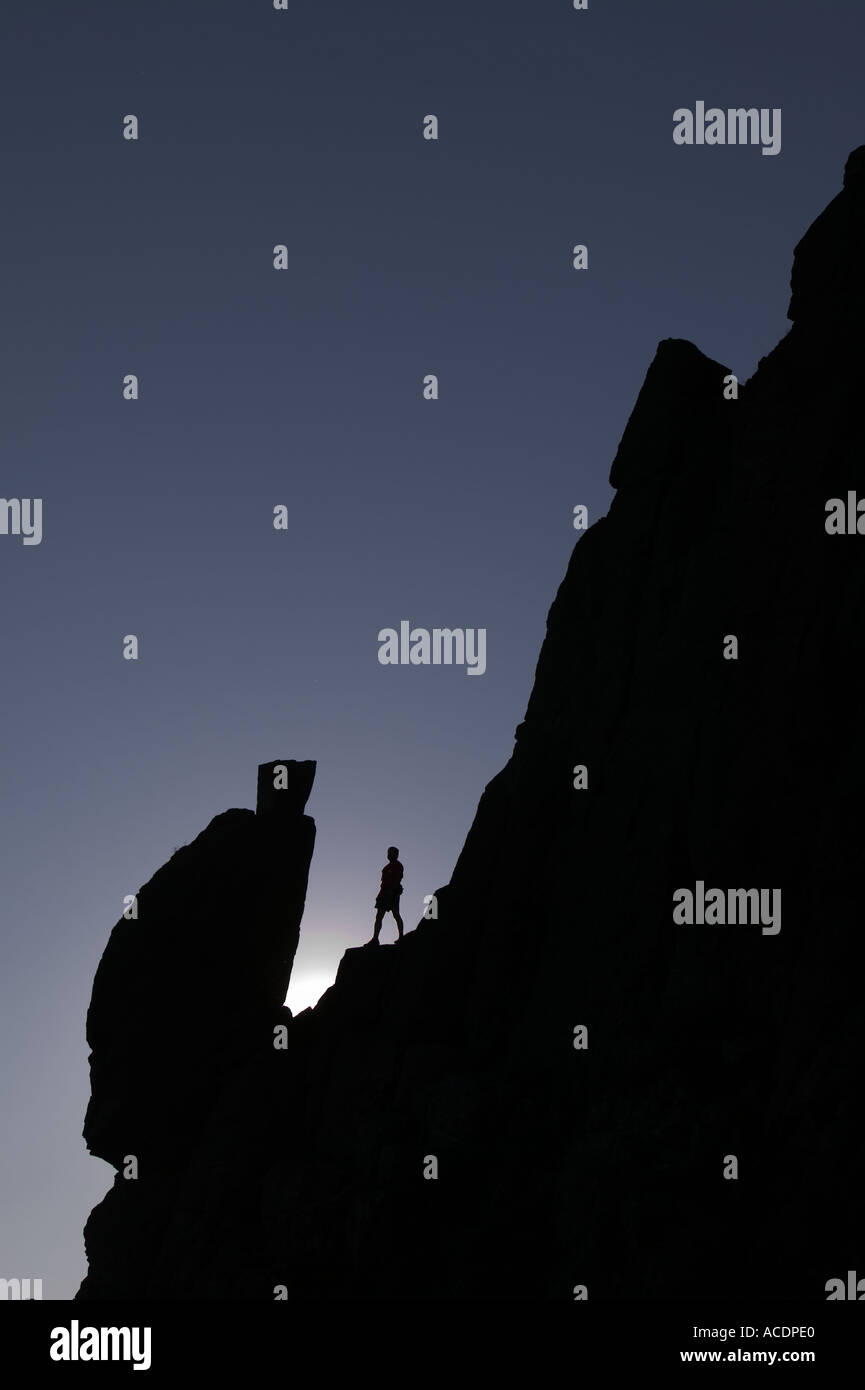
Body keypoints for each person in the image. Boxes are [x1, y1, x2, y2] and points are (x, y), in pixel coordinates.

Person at [369, 846, 404, 943]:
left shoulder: (398, 865)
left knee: (396, 914)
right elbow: (383, 883)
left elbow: (398, 879)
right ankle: (375, 938)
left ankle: (401, 936)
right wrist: (380, 895)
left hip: (393, 893)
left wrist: (392, 891)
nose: (389, 855)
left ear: (396, 854)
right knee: (379, 916)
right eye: (388, 853)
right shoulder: (386, 868)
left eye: (392, 853)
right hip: (384, 893)